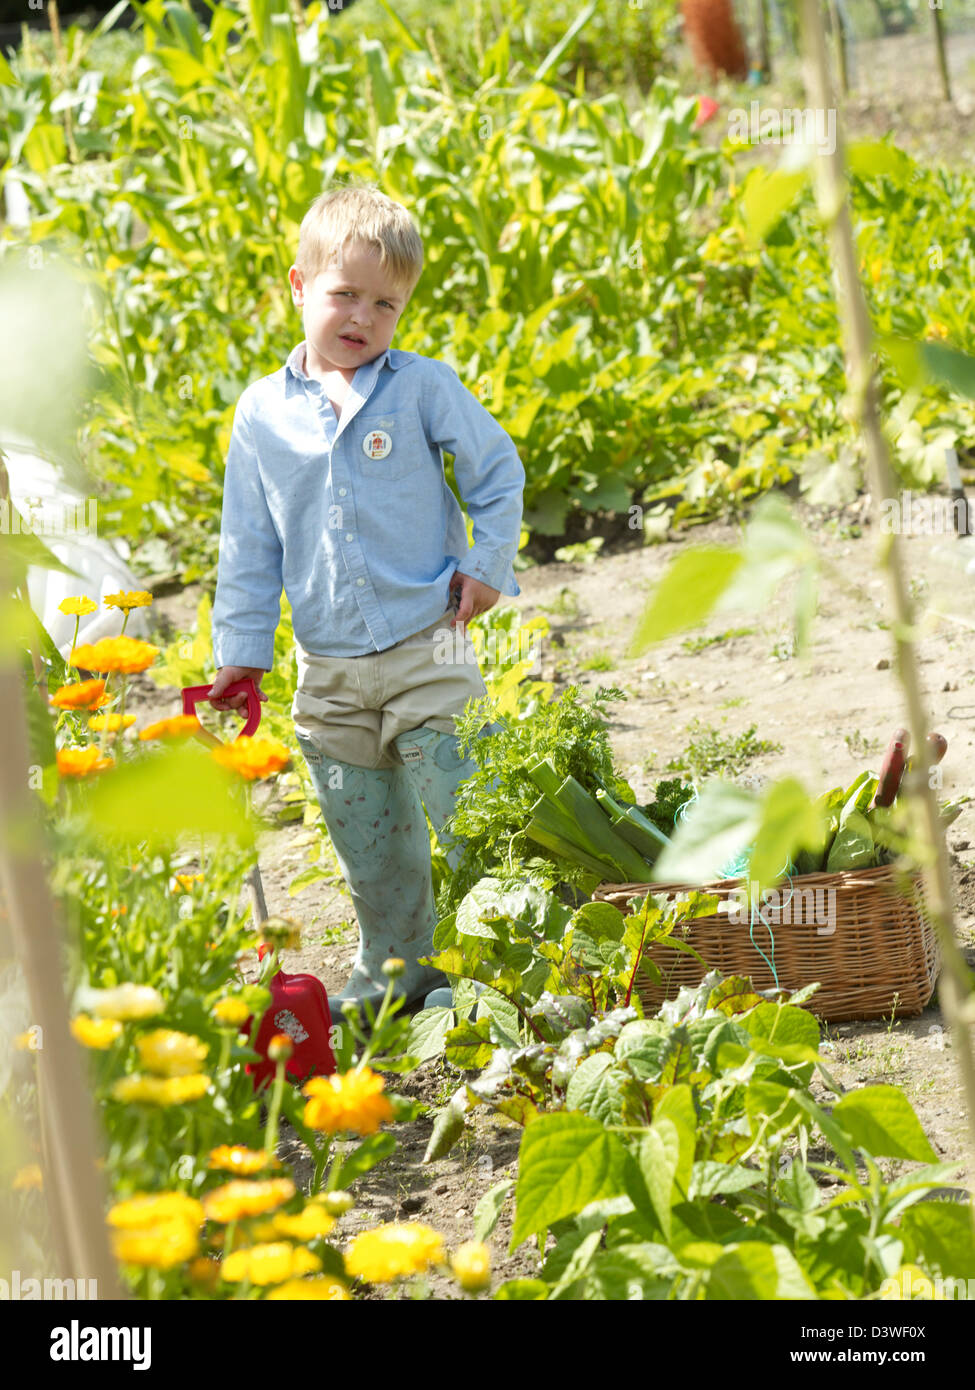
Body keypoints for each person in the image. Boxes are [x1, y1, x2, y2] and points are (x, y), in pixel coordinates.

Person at [207, 183, 525, 1013]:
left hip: (432, 642)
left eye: (386, 304)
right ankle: (396, 967)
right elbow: (248, 542)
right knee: (366, 838)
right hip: (329, 667)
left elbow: (495, 472)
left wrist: (487, 563)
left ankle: (498, 965)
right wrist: (239, 654)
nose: (362, 317)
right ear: (298, 285)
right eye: (344, 294)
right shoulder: (261, 415)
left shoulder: (420, 388)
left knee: (467, 811)